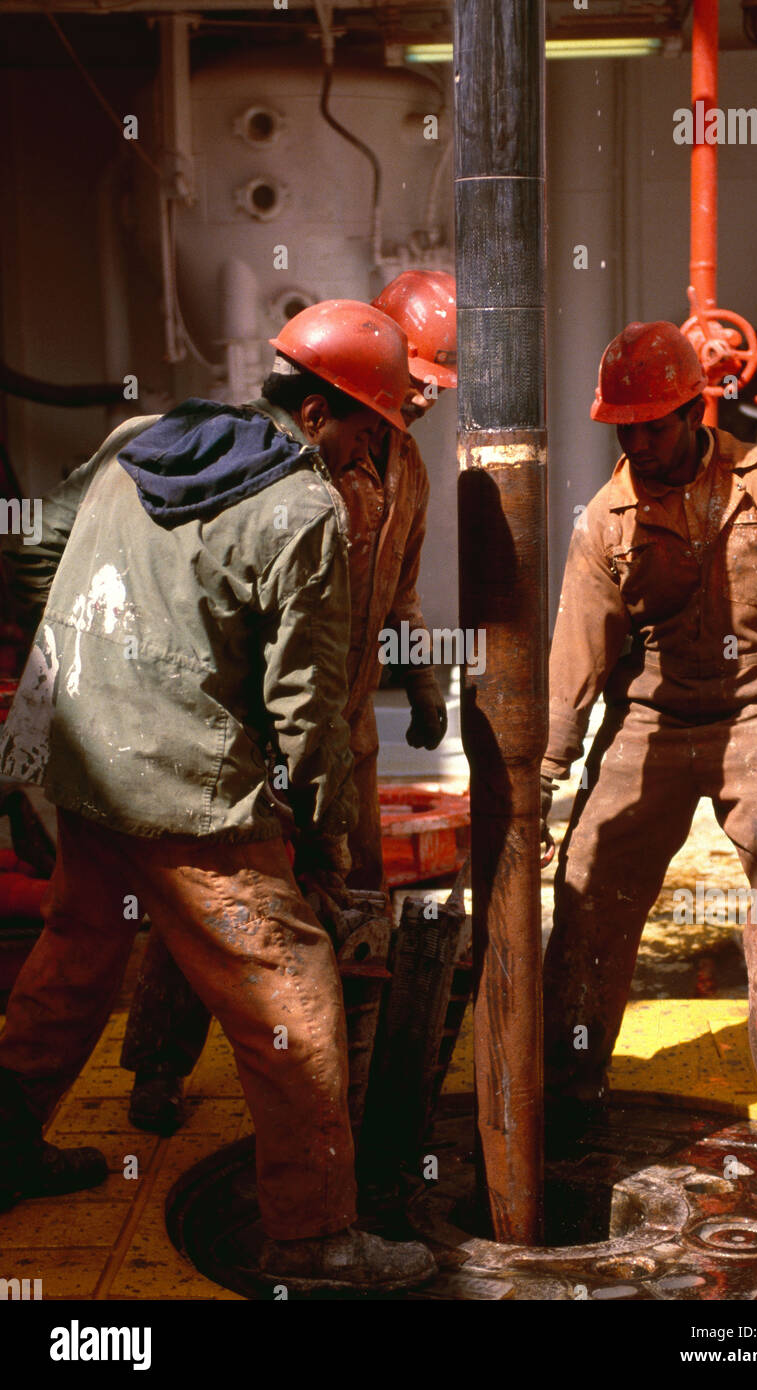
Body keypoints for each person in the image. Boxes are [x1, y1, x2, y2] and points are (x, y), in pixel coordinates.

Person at [0, 299, 436, 1291]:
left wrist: (80, 654)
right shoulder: (303, 508)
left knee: (73, 961)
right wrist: (324, 847)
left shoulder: (138, 437)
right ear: (322, 412)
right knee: (294, 1003)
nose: (373, 450)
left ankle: (6, 1148)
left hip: (86, 762)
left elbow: (33, 544)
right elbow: (308, 707)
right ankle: (316, 1239)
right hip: (188, 800)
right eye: (372, 426)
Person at [122, 270, 457, 1136]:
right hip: (252, 725)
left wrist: (419, 679)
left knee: (349, 897)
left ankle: (335, 1076)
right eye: (416, 374)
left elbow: (402, 593)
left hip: (338, 724)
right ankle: (158, 1067)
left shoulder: (407, 469)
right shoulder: (283, 458)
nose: (422, 395)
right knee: (211, 912)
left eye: (434, 384)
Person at [541, 320, 757, 1174]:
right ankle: (566, 1089)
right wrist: (547, 766)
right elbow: (576, 650)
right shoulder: (605, 522)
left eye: (653, 423)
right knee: (587, 888)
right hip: (652, 715)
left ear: (693, 410)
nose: (638, 441)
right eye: (624, 427)